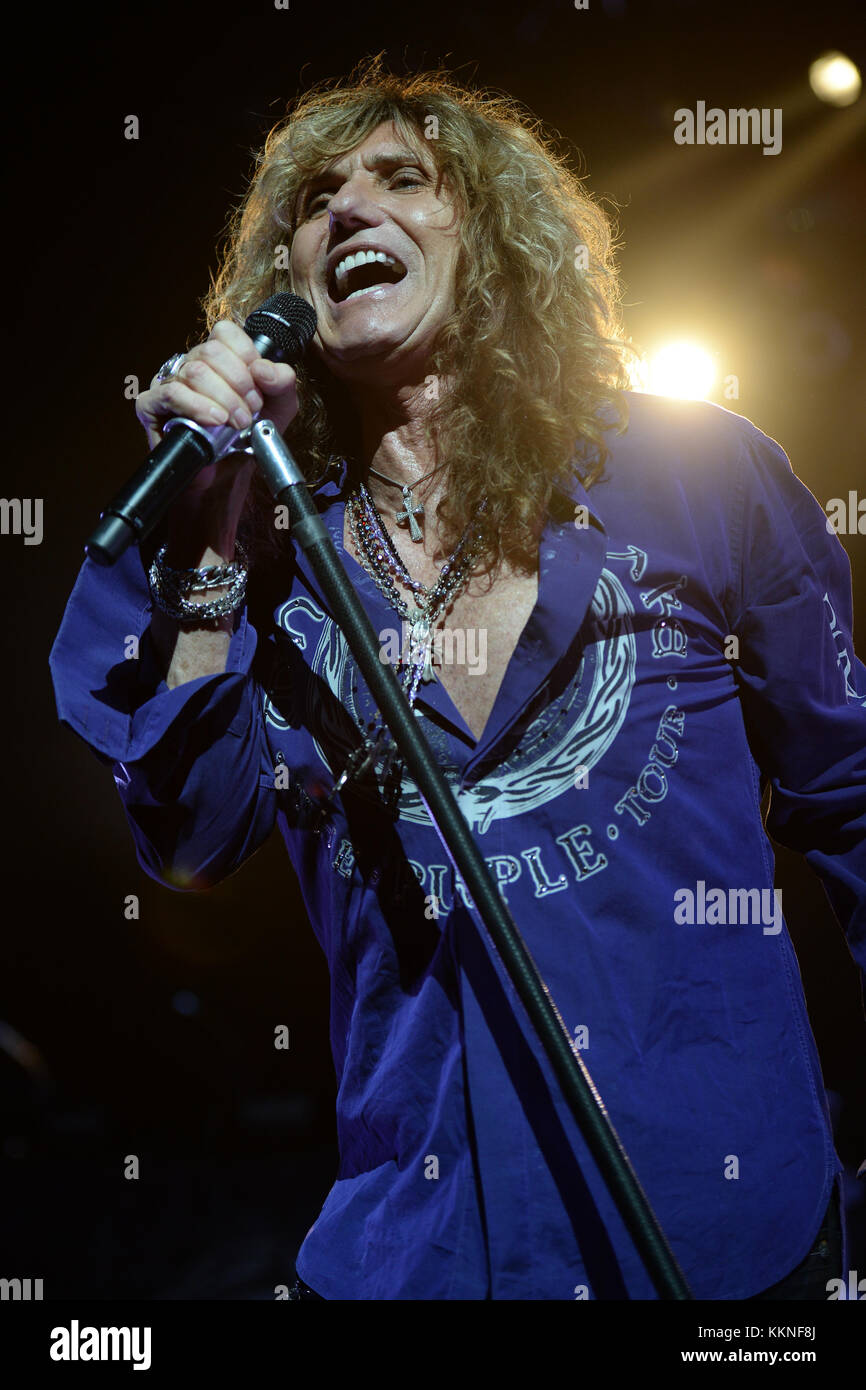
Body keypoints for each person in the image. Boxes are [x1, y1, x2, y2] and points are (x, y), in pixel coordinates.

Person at [49, 59, 865, 1301]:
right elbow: (194, 843)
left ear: (490, 238)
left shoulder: (694, 468)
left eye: (400, 179)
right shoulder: (246, 540)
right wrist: (214, 537)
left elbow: (850, 791)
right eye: (314, 200)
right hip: (425, 1255)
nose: (346, 211)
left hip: (723, 1237)